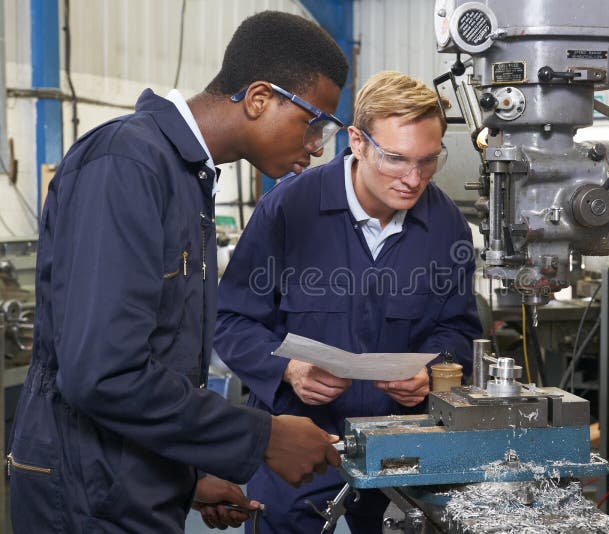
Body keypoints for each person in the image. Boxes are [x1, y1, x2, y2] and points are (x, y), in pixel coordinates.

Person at [9, 11, 349, 534]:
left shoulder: (188, 178)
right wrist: (264, 437)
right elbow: (103, 374)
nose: (318, 146)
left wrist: (183, 479)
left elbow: (155, 358)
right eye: (314, 122)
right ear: (259, 98)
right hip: (84, 501)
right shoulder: (127, 163)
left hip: (128, 483)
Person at [215, 70, 483, 533]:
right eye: (397, 159)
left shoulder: (447, 228)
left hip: (403, 449)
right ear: (357, 141)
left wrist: (431, 373)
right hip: (301, 446)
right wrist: (289, 370)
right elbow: (232, 319)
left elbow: (459, 331)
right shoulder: (288, 210)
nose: (414, 178)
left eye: (428, 160)